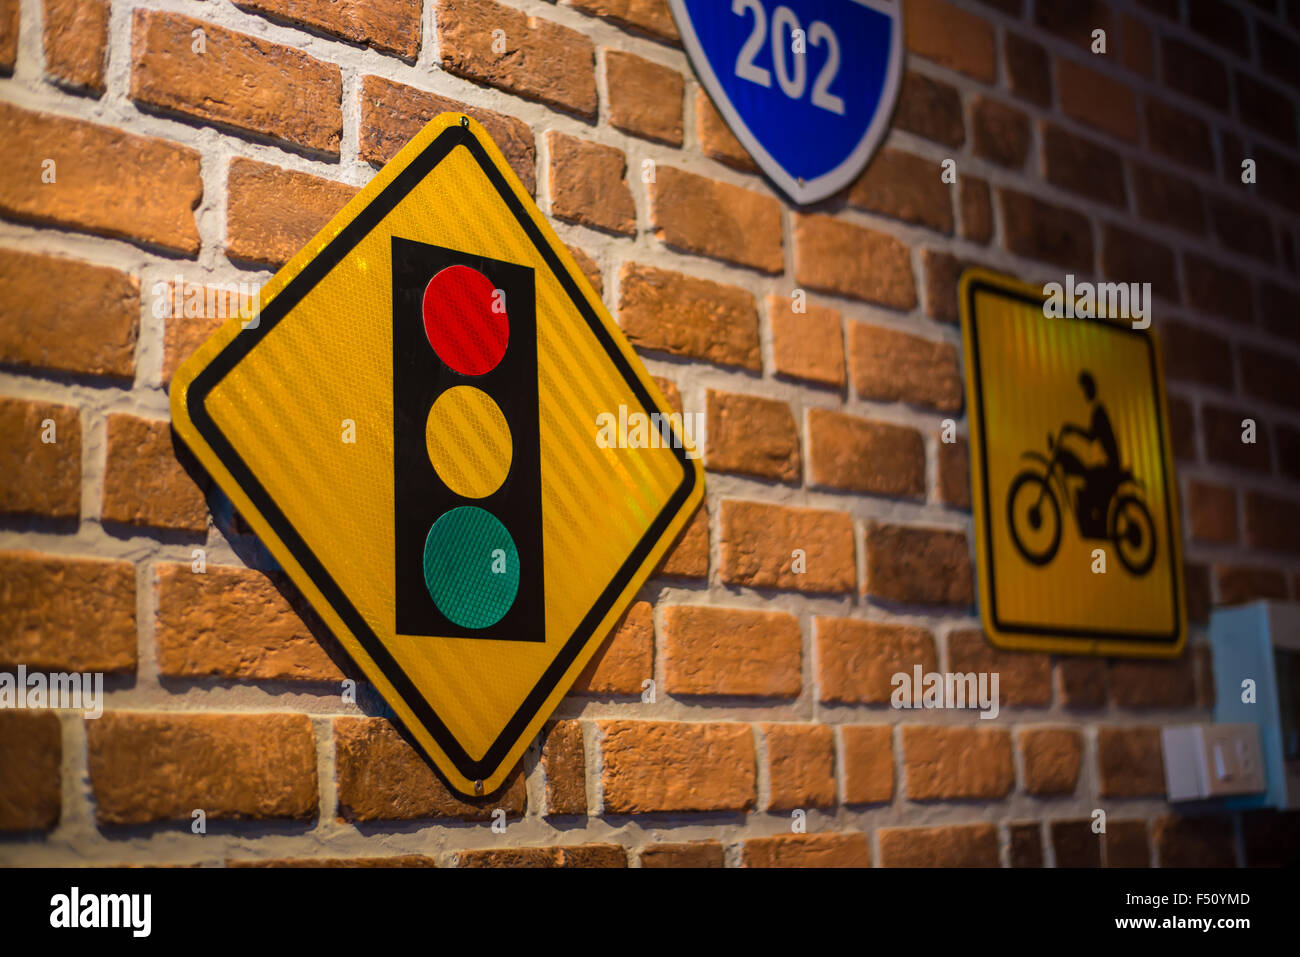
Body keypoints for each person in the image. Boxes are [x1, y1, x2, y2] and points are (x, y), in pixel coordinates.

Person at [1053, 371, 1123, 537]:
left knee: (1084, 494)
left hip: (1109, 465)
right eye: (1083, 388)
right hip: (1105, 464)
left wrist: (1072, 429)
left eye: (1085, 388)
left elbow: (1092, 436)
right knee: (1083, 486)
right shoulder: (1096, 409)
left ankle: (1097, 527)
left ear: (1091, 388)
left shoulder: (1099, 410)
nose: (1084, 392)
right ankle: (1093, 526)